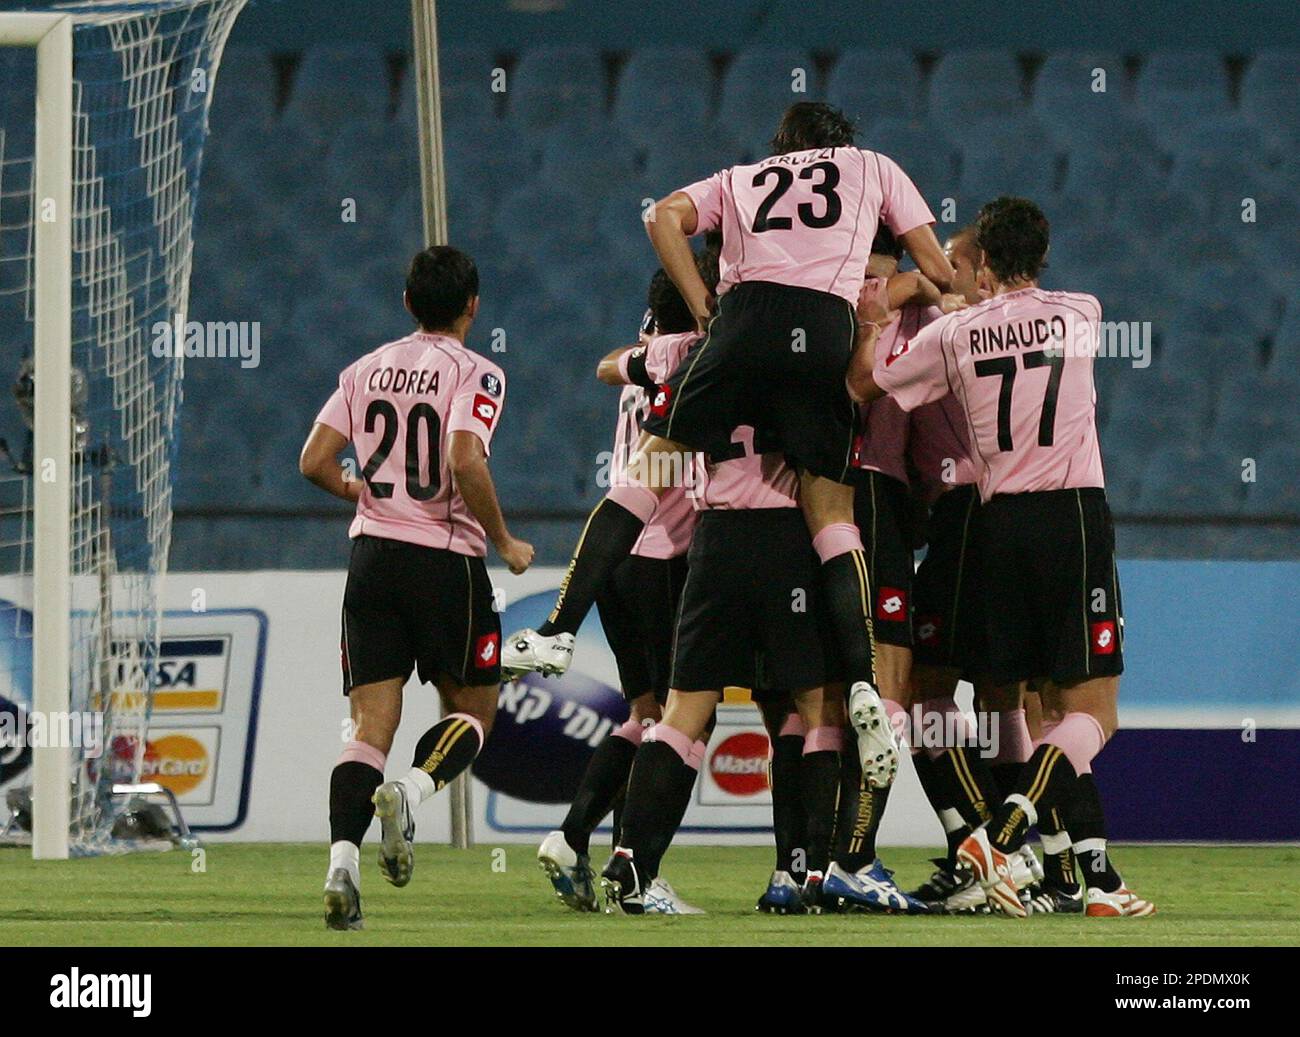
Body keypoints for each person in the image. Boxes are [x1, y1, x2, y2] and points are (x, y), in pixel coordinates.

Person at [504, 101, 954, 798]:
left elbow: (660, 218)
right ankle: (864, 682)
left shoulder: (741, 177)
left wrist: (703, 303)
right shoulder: (874, 167)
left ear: (782, 146)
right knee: (834, 517)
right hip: (822, 331)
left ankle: (558, 628)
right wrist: (930, 283)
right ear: (841, 143)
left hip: (742, 325)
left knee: (645, 474)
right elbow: (935, 261)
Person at [851, 196, 1150, 918]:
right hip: (1072, 516)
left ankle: (1083, 876)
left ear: (981, 262)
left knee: (1007, 694)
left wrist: (869, 321)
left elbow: (870, 383)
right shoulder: (1083, 311)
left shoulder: (956, 334)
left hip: (998, 524)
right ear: (1040, 258)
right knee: (1089, 710)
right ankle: (1007, 837)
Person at [299, 245, 533, 930]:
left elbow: (313, 458)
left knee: (369, 725)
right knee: (474, 711)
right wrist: (504, 539)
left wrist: (356, 487)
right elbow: (465, 458)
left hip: (371, 557)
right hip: (445, 561)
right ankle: (410, 789)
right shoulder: (477, 372)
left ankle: (341, 863)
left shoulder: (365, 367)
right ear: (473, 306)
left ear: (406, 302)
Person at [536, 268, 698, 913]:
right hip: (666, 554)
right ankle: (632, 867)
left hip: (615, 559)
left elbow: (608, 366)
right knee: (681, 720)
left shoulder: (645, 359)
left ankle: (575, 838)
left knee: (644, 714)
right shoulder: (696, 355)